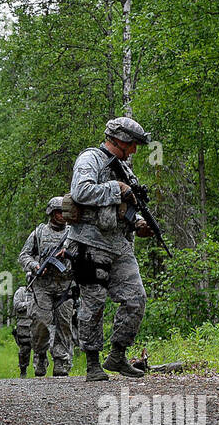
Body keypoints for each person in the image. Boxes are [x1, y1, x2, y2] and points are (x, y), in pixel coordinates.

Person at [65, 116, 154, 381]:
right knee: (93, 304)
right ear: (120, 140)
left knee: (135, 298)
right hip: (89, 243)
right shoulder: (90, 159)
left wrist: (138, 223)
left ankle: (117, 356)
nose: (135, 150)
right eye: (133, 144)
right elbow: (81, 192)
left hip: (119, 245)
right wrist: (116, 188)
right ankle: (92, 363)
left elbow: (126, 207)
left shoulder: (125, 169)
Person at [18, 197, 78, 376]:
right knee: (41, 323)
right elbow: (24, 255)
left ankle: (61, 362)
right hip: (42, 286)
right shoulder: (39, 233)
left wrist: (69, 254)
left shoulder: (73, 233)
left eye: (65, 212)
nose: (62, 216)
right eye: (59, 212)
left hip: (65, 285)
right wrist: (34, 266)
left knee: (64, 324)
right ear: (51, 213)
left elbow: (83, 254)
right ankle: (41, 355)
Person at [12, 283, 48, 377]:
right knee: (24, 350)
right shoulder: (21, 292)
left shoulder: (43, 292)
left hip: (38, 324)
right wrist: (30, 304)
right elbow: (17, 305)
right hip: (23, 325)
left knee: (40, 349)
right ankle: (23, 371)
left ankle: (39, 372)